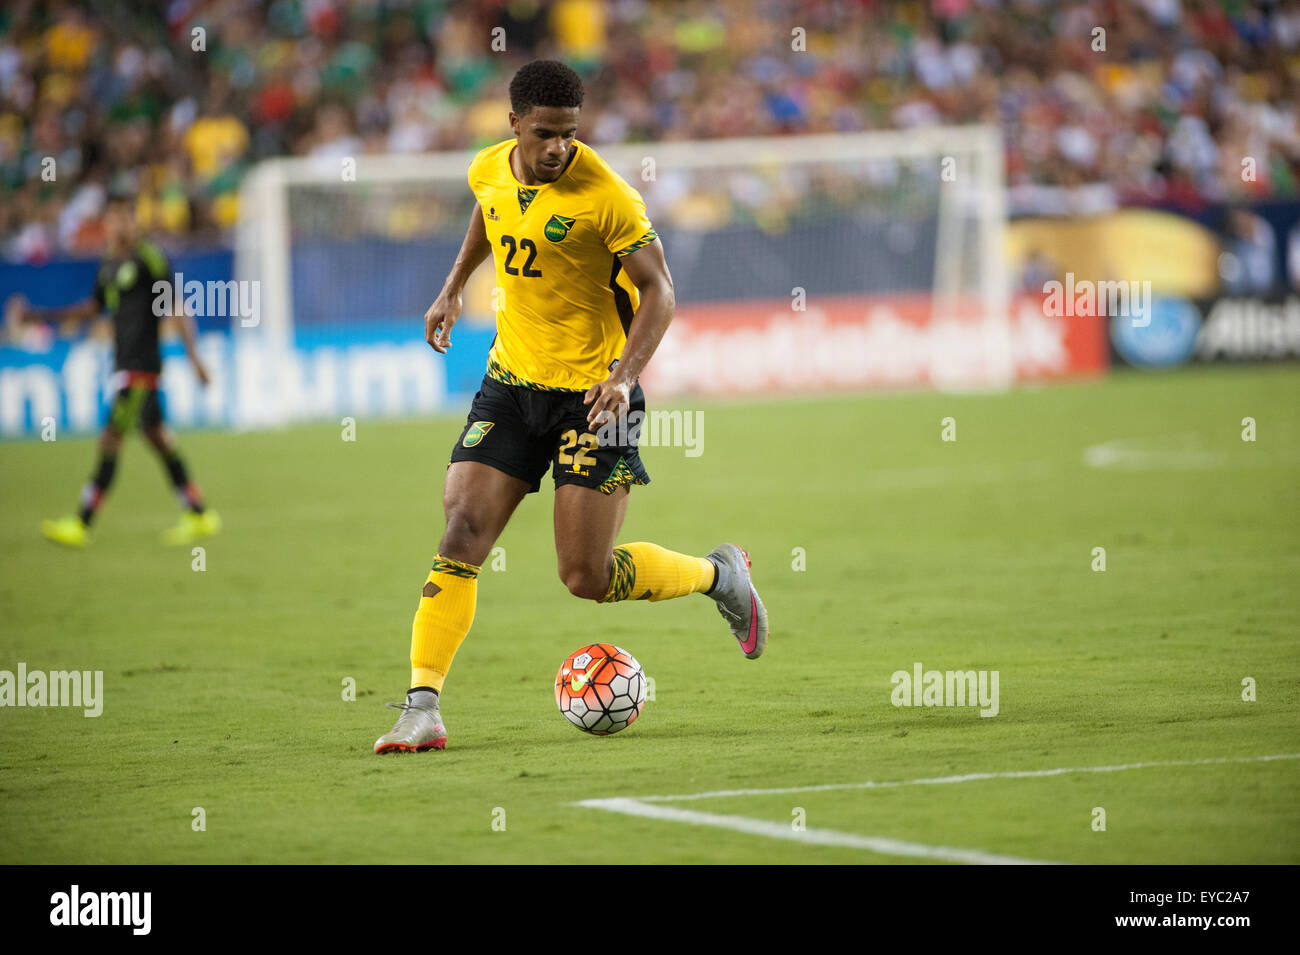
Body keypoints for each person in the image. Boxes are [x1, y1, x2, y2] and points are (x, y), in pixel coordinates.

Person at [375, 60, 768, 754]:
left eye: (570, 134)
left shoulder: (607, 195)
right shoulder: (489, 168)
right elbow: (489, 213)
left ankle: (718, 574)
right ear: (515, 125)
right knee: (461, 532)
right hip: (511, 384)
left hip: (596, 397)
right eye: (546, 134)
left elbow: (662, 291)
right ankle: (422, 706)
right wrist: (452, 285)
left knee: (585, 577)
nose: (559, 148)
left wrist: (623, 376)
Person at [27, 192, 220, 548]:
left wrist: (195, 360)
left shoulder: (149, 258)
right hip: (123, 365)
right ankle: (198, 512)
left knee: (111, 439)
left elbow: (175, 306)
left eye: (128, 216)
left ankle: (81, 522)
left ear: (136, 220)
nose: (123, 223)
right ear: (107, 223)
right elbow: (93, 308)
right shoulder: (108, 265)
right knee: (157, 438)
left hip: (140, 369)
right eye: (115, 216)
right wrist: (40, 316)